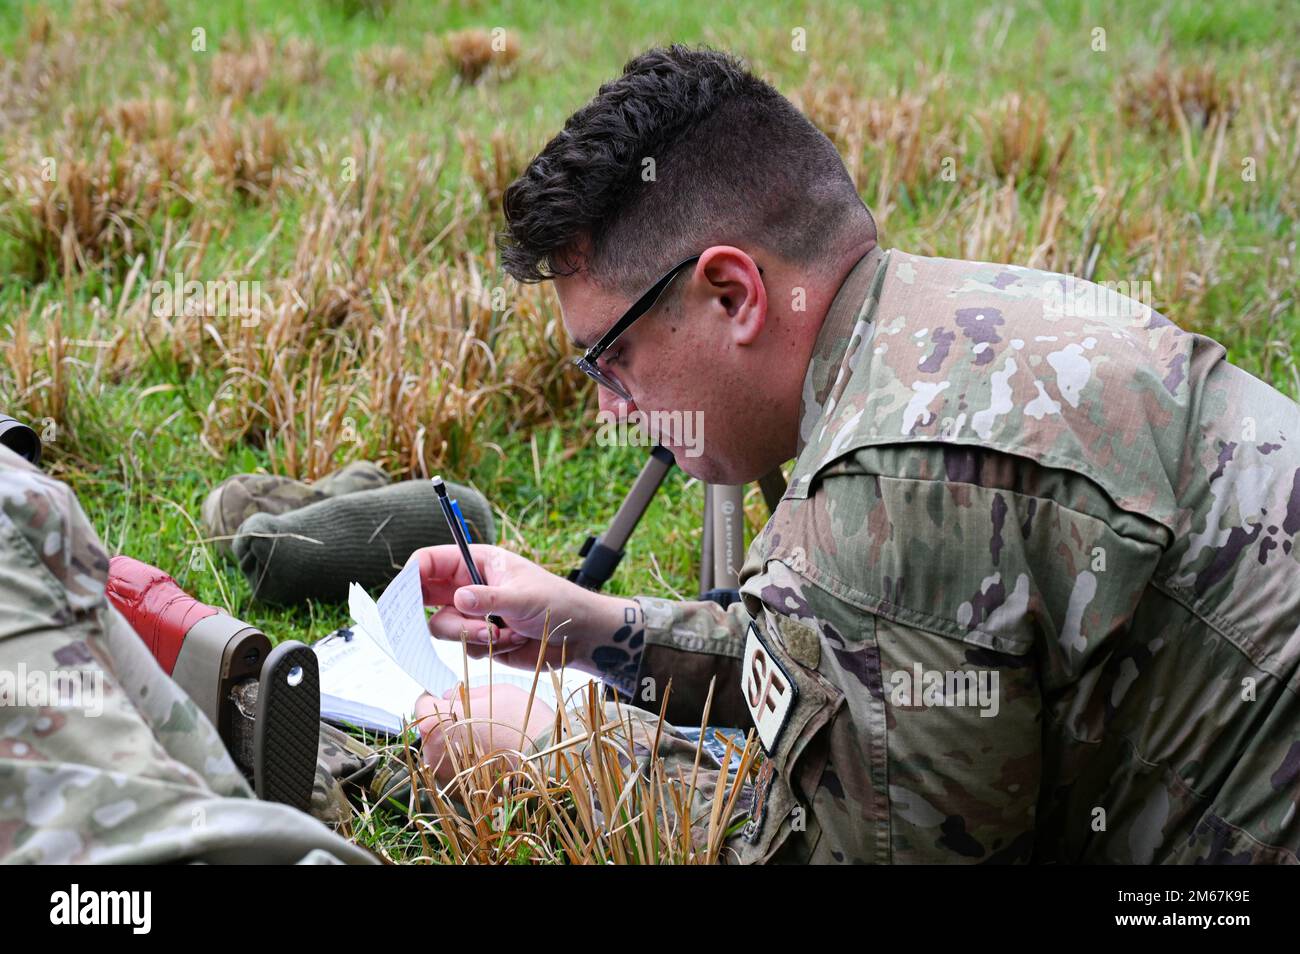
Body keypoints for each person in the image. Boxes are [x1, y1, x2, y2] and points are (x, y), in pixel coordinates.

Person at [413, 44, 1300, 864]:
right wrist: (599, 633)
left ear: (731, 294)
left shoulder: (888, 487)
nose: (610, 404)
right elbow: (834, 666)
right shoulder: (951, 317)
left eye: (610, 358)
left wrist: (559, 760)